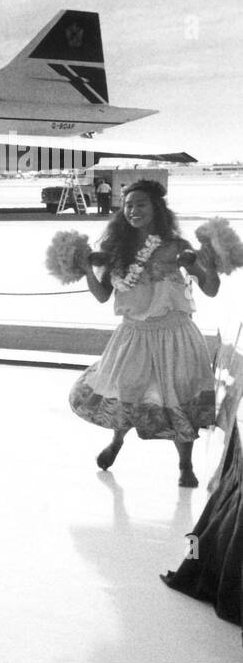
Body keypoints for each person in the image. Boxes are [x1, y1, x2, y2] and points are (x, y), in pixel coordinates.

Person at [70, 180, 219, 487]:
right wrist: (86, 270)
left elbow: (211, 289)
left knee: (179, 394)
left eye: (141, 204)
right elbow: (101, 296)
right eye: (128, 205)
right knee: (128, 391)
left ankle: (184, 465)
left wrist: (204, 265)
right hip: (133, 334)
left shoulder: (177, 247)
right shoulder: (116, 251)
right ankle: (117, 442)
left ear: (157, 208)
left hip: (176, 333)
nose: (133, 210)